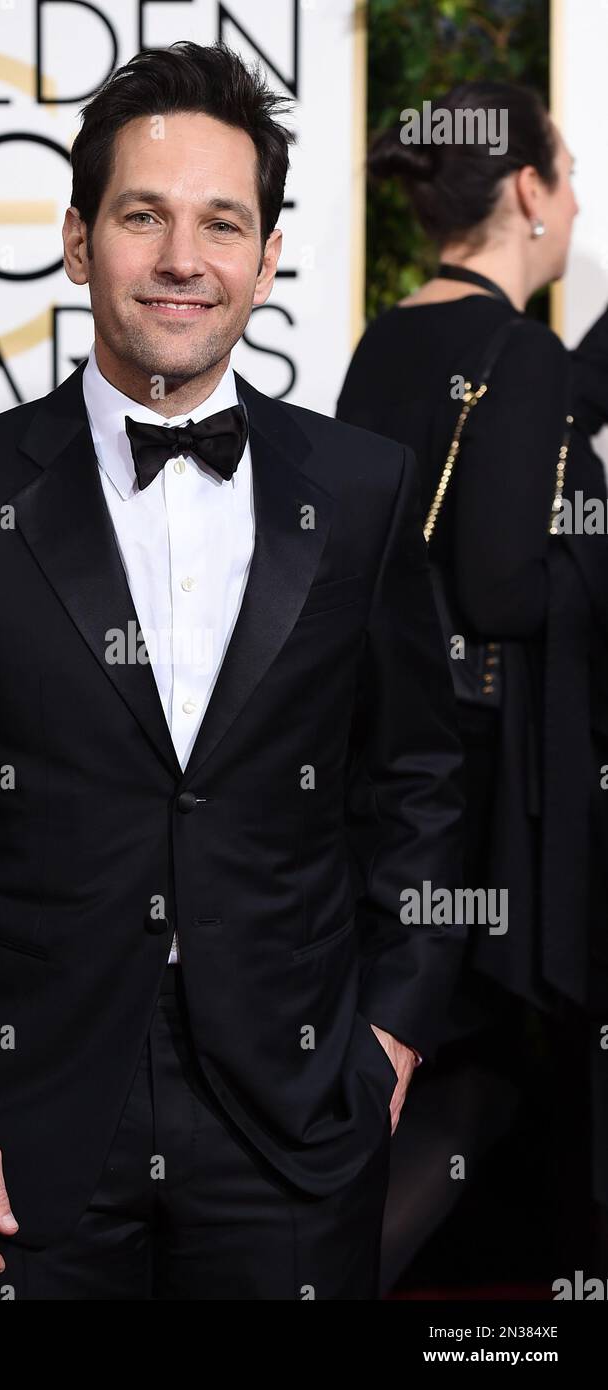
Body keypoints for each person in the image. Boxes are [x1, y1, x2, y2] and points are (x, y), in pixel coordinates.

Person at [0, 40, 465, 1301]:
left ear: (266, 258)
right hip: (22, 1119)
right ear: (79, 242)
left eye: (221, 223)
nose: (184, 258)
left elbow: (419, 773)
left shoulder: (361, 489)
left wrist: (391, 1032)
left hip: (295, 1113)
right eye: (143, 216)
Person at [337, 80, 608, 1285]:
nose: (577, 205)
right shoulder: (520, 352)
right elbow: (503, 590)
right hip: (489, 800)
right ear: (529, 189)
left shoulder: (386, 339)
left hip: (387, 774)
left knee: (436, 1074)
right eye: (569, 175)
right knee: (485, 1079)